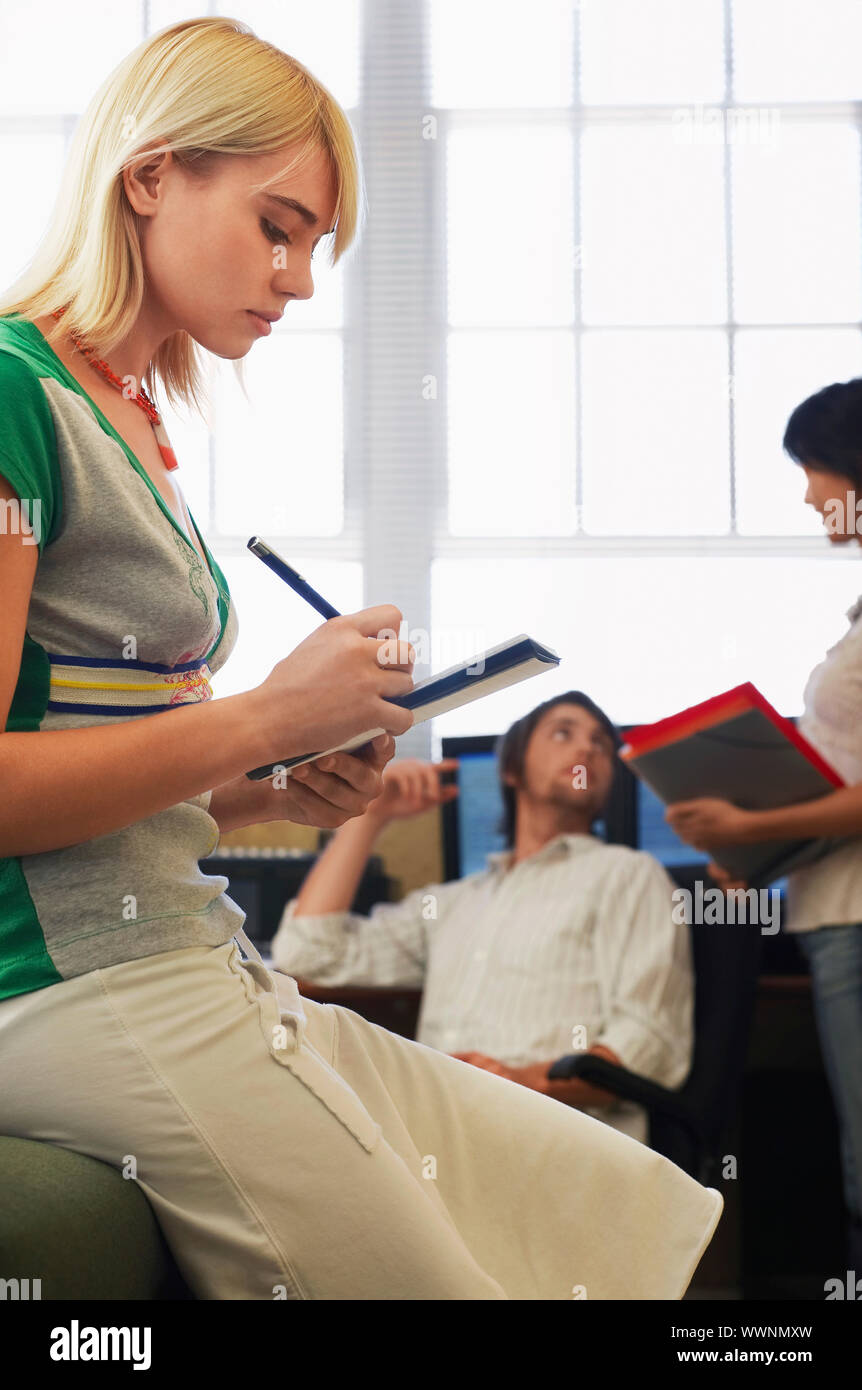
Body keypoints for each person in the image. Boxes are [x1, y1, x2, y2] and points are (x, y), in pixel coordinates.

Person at [0, 16, 722, 1300]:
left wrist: (277, 783)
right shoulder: (10, 394)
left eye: (314, 247)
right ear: (152, 175)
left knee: (612, 1200)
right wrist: (265, 715)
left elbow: (98, 776)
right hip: (68, 979)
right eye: (277, 228)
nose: (300, 280)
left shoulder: (131, 419)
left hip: (188, 947)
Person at [273, 691, 695, 1146]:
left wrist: (522, 1080)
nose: (587, 749)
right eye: (563, 732)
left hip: (551, 1137)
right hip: (435, 1137)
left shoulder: (628, 876)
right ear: (512, 770)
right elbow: (307, 953)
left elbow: (649, 1040)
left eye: (601, 744)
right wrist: (370, 816)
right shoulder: (452, 903)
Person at [665, 378, 862, 1273]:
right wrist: (760, 843)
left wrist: (758, 816)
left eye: (813, 468)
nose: (809, 493)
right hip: (833, 913)